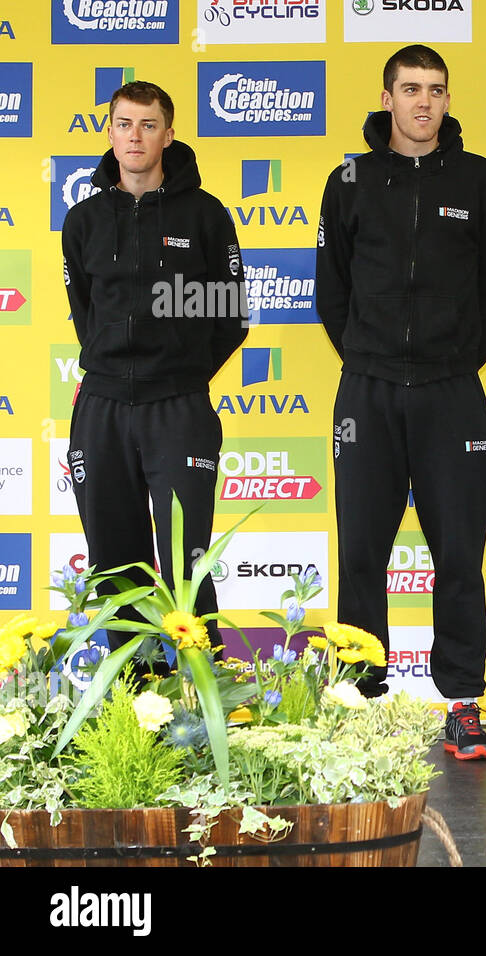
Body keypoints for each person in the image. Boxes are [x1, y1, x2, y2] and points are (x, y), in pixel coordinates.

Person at [314, 45, 486, 760]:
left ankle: (462, 704)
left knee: (459, 554)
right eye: (410, 89)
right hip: (366, 392)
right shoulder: (350, 179)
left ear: (447, 100)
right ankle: (359, 707)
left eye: (435, 90)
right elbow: (330, 292)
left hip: (451, 395)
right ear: (387, 98)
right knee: (363, 554)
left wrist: (452, 360)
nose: (423, 102)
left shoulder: (480, 179)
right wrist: (372, 357)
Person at [62, 81, 247, 666]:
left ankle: (208, 694)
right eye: (123, 124)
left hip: (180, 408)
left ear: (168, 134)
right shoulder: (83, 220)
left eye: (147, 125)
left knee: (188, 559)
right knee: (116, 561)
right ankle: (139, 703)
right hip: (103, 408)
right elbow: (85, 314)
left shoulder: (206, 214)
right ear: (109, 132)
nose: (134, 136)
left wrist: (180, 372)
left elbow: (231, 315)